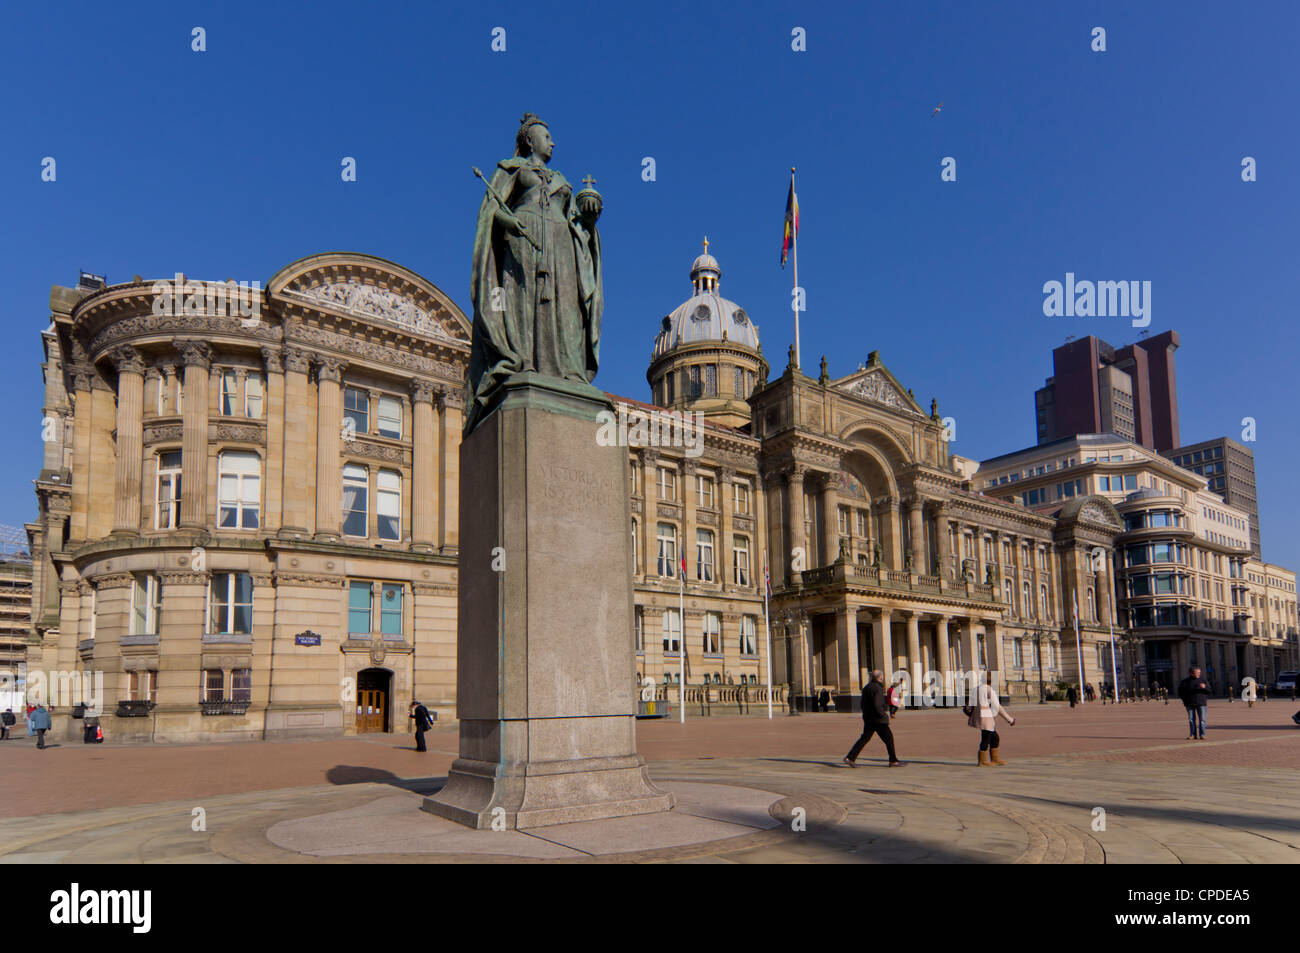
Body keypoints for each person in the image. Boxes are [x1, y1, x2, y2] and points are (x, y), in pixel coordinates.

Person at [842, 671, 904, 768]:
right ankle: (893, 761)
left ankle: (850, 758)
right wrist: (883, 715)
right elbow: (877, 704)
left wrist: (866, 714)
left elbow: (862, 704)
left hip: (869, 718)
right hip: (878, 719)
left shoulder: (867, 687)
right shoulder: (877, 688)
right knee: (889, 739)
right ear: (880, 677)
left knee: (864, 738)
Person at [970, 673, 1015, 766]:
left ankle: (994, 759)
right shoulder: (989, 690)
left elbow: (971, 704)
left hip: (979, 717)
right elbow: (997, 706)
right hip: (987, 717)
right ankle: (982, 761)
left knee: (994, 738)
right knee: (986, 739)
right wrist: (1010, 719)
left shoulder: (976, 690)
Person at [1177, 666, 1211, 740]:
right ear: (1191, 673)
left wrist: (1205, 687)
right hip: (1189, 703)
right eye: (1197, 672)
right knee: (1191, 720)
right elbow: (1180, 692)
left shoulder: (1203, 680)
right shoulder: (1185, 682)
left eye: (1199, 672)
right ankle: (1192, 734)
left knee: (1202, 720)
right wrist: (1185, 700)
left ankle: (1202, 734)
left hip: (1201, 703)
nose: (1199, 674)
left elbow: (1209, 691)